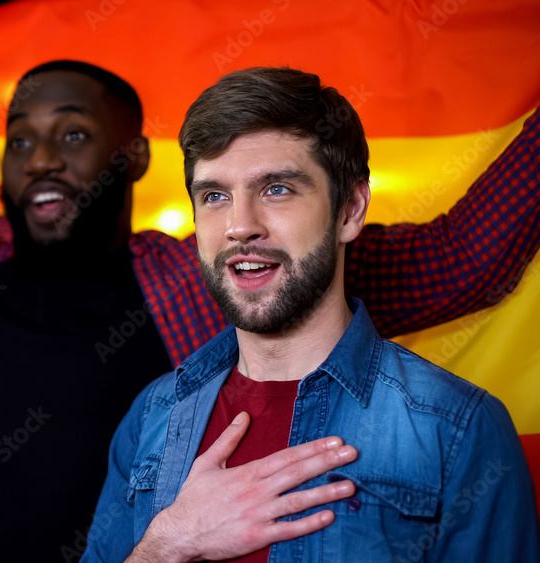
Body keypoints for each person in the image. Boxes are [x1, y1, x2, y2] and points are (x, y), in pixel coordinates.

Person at [0, 6, 540, 561]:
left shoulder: (216, 272)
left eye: (73, 134)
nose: (41, 158)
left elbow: (465, 255)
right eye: (21, 138)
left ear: (136, 157)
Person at [82, 66, 539, 563]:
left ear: (349, 211)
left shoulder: (459, 429)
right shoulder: (152, 415)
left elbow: (465, 258)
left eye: (276, 188)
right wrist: (167, 544)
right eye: (215, 195)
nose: (239, 226)